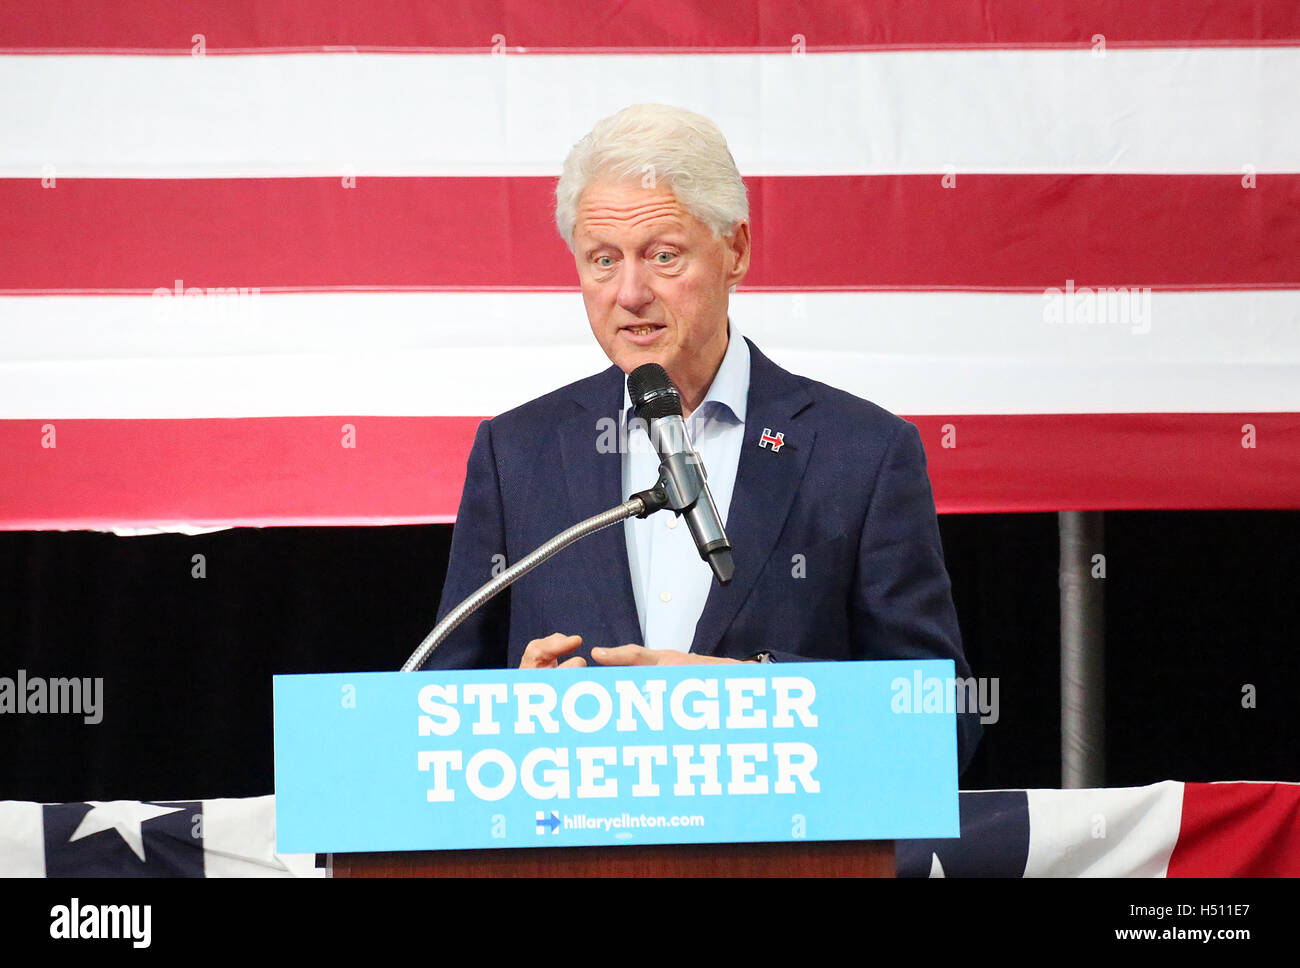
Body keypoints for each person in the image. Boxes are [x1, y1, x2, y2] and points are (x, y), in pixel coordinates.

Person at [424, 104, 980, 773]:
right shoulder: (516, 453)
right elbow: (436, 709)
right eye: (603, 260)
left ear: (736, 250)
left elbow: (943, 719)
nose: (630, 293)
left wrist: (753, 697)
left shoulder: (861, 453)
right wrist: (516, 713)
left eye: (663, 256)